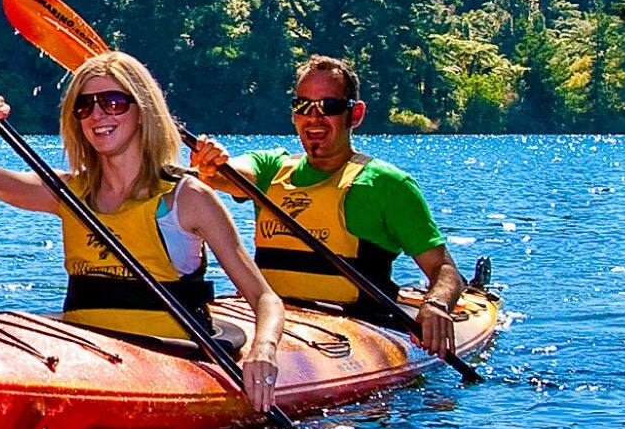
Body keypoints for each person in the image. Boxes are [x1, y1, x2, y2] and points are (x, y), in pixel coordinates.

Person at [0, 52, 287, 413]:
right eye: (85, 106)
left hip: (168, 361)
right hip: (86, 356)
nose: (98, 115)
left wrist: (263, 349)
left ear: (143, 111)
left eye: (113, 102)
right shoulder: (69, 192)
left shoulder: (187, 198)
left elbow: (265, 298)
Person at [188, 55, 463, 357]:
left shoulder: (388, 184)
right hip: (271, 318)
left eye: (328, 106)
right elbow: (224, 174)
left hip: (354, 326)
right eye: (303, 106)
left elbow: (444, 269)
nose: (314, 117)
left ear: (355, 114)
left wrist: (436, 304)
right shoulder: (270, 168)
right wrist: (210, 165)